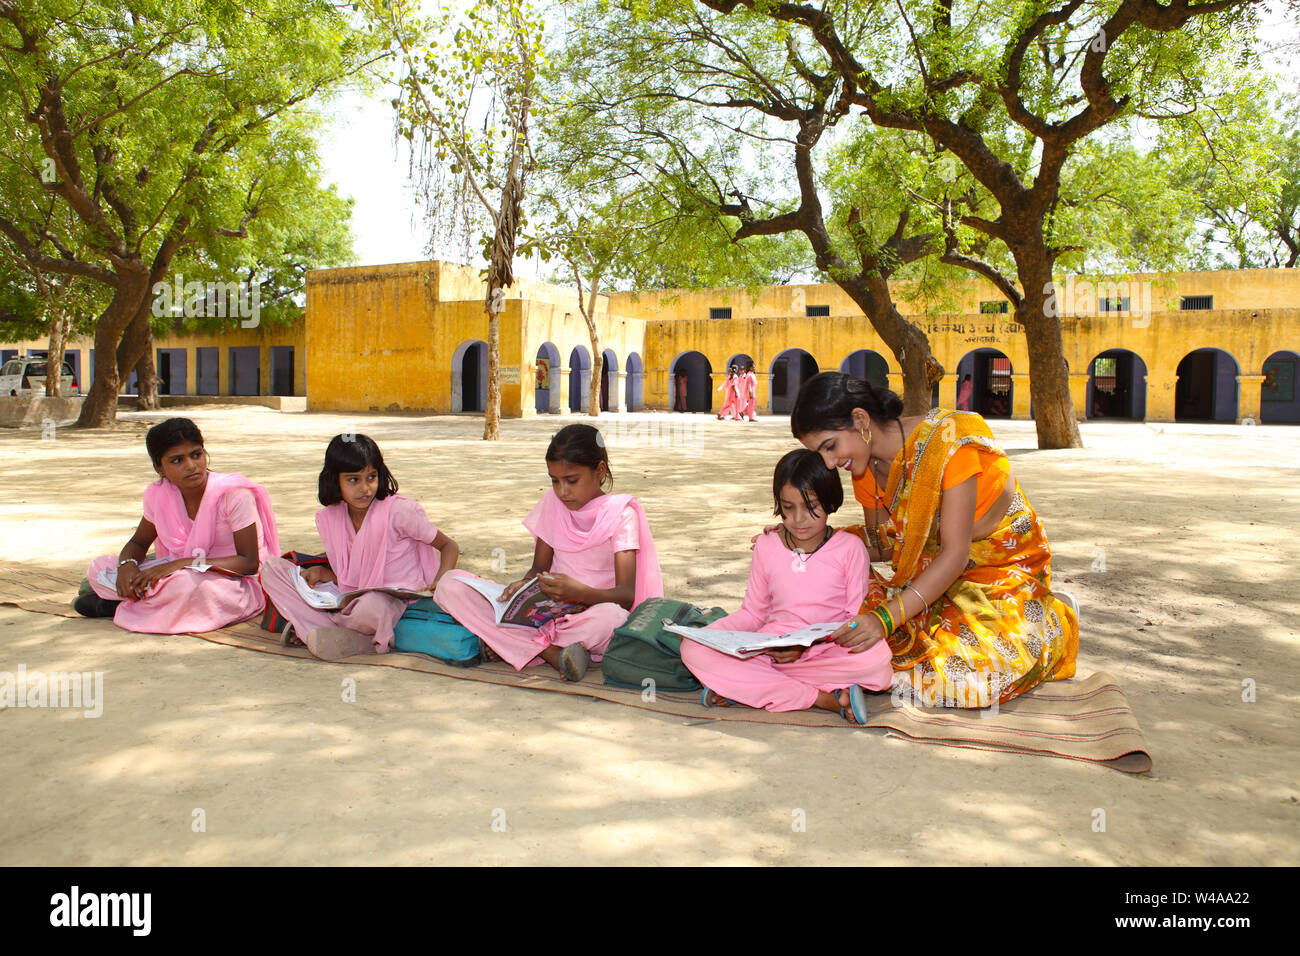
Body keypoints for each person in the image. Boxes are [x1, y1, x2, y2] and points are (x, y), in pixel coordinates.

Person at [790, 372, 1078, 708]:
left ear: (860, 419)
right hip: (928, 578)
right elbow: (888, 545)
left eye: (830, 446)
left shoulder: (948, 444)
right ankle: (862, 667)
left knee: (973, 678)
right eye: (819, 453)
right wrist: (806, 538)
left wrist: (885, 619)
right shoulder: (864, 469)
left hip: (995, 572)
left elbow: (955, 554)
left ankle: (1054, 617)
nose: (829, 463)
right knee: (834, 604)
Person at [435, 423, 663, 681]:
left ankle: (513, 644)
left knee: (613, 619)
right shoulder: (552, 504)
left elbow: (625, 596)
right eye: (554, 481)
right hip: (543, 612)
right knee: (449, 585)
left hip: (589, 614)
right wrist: (522, 586)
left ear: (599, 471)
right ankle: (550, 651)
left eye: (571, 481)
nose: (562, 491)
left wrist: (580, 593)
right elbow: (539, 568)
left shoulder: (622, 515)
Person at [680, 450, 892, 721]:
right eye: (788, 508)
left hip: (826, 650)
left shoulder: (850, 549)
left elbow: (852, 620)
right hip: (771, 649)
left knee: (877, 663)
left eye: (811, 506)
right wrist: (710, 636)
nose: (799, 519)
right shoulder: (767, 545)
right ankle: (822, 698)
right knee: (692, 648)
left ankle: (745, 687)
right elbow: (753, 613)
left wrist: (806, 647)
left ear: (829, 500)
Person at [258, 434, 460, 661]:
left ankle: (320, 631)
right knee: (272, 569)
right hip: (349, 600)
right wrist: (324, 574)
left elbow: (449, 545)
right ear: (335, 480)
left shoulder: (399, 512)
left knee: (375, 606)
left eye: (371, 477)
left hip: (394, 602)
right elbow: (353, 579)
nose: (365, 488)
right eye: (353, 480)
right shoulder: (330, 517)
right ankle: (339, 634)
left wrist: (440, 581)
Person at [75, 417, 280, 633]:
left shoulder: (234, 495)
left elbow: (249, 563)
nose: (191, 466)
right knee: (101, 567)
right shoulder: (159, 495)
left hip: (231, 580)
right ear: (159, 468)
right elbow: (138, 542)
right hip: (176, 569)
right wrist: (127, 565)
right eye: (176, 460)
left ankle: (119, 605)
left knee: (185, 585)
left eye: (196, 455)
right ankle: (143, 600)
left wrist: (184, 563)